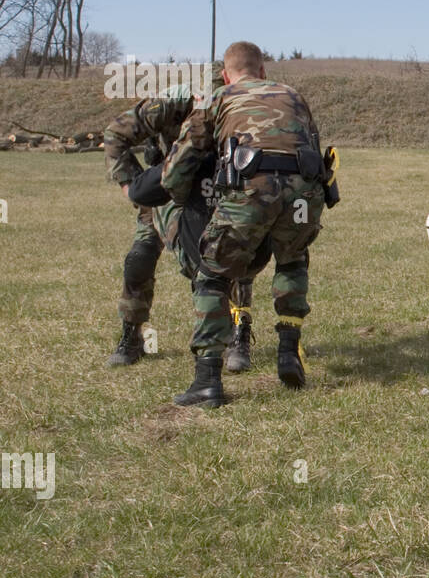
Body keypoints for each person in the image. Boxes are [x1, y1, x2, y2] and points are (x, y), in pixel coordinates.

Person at [162, 41, 326, 408]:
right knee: (292, 260)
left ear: (225, 75)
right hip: (303, 194)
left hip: (251, 189)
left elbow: (182, 160)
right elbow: (312, 142)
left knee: (213, 274)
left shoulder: (219, 97)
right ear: (263, 71)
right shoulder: (294, 95)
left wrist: (177, 194)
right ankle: (288, 351)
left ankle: (207, 380)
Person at [104, 65, 262, 372]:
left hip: (218, 191)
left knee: (233, 257)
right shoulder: (168, 107)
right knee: (139, 258)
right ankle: (131, 334)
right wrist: (132, 185)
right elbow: (115, 134)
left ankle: (237, 335)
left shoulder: (243, 112)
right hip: (167, 192)